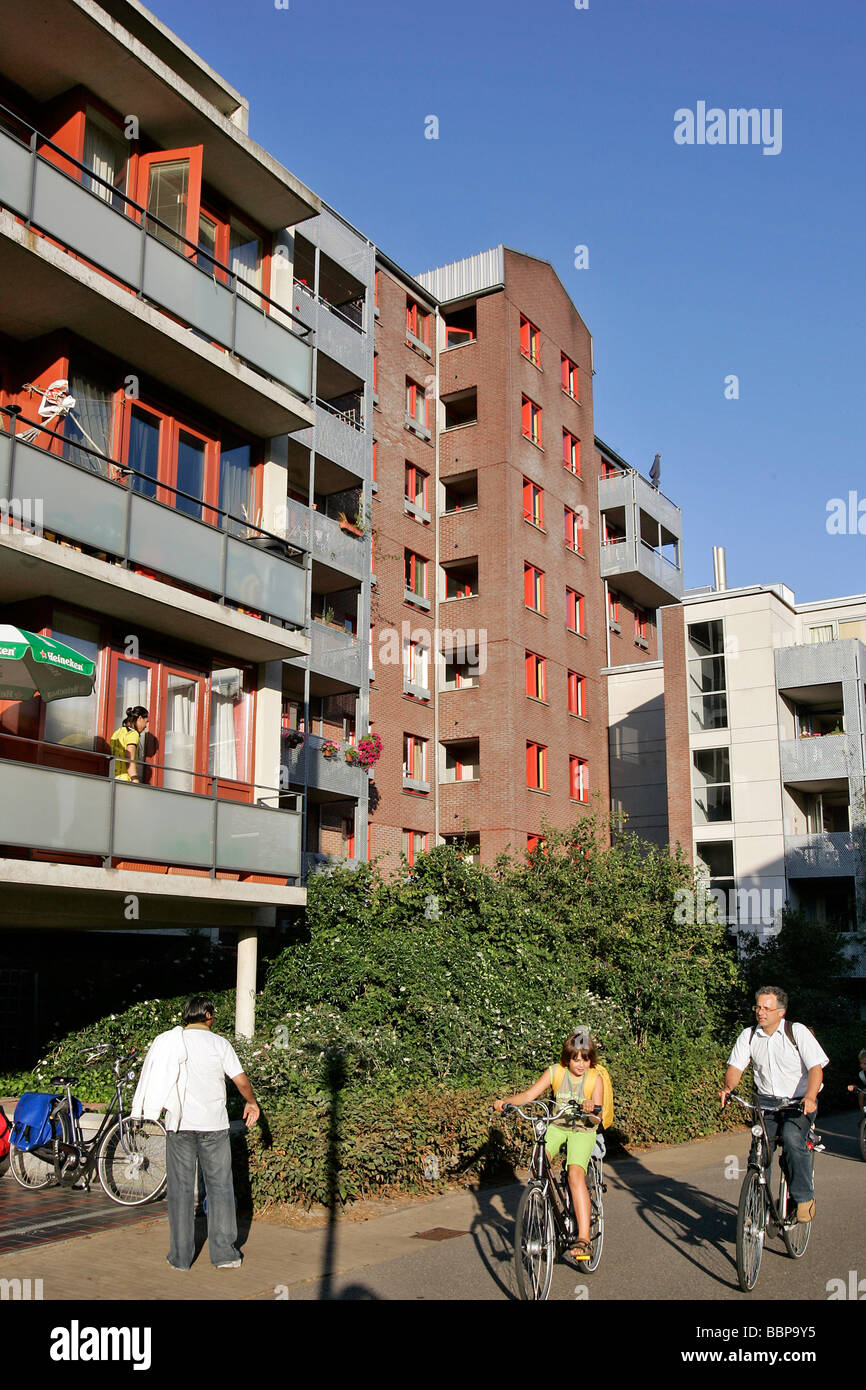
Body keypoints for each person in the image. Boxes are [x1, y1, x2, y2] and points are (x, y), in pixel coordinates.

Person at [132, 995, 260, 1270]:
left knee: (179, 1190)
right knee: (220, 1187)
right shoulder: (219, 1044)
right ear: (209, 1016)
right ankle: (224, 1255)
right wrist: (251, 1102)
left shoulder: (169, 1042)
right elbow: (240, 1080)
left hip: (179, 1125)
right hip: (213, 1126)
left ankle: (180, 1258)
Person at [719, 985, 829, 1223]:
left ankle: (804, 1198)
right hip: (767, 1102)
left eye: (766, 1008)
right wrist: (728, 1088)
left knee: (791, 1137)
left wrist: (810, 1097)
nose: (760, 1012)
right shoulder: (749, 1035)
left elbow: (816, 1069)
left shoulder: (796, 1032)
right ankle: (758, 1208)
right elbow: (735, 1068)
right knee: (759, 1152)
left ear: (781, 1012)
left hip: (798, 1102)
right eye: (758, 1007)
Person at [495, 1030, 603, 1262]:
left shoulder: (595, 1079)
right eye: (576, 1059)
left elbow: (597, 1119)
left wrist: (590, 1109)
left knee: (575, 1174)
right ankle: (548, 1209)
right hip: (558, 1126)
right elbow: (529, 1095)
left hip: (583, 1130)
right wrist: (506, 1102)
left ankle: (583, 1238)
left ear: (590, 1060)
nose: (581, 1064)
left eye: (585, 1059)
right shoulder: (555, 1072)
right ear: (567, 1058)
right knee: (538, 1162)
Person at [110, 706, 149, 782]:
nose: (145, 726)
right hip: (125, 779)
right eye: (146, 722)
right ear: (140, 718)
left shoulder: (117, 732)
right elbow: (129, 757)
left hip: (113, 777)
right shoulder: (133, 734)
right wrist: (134, 779)